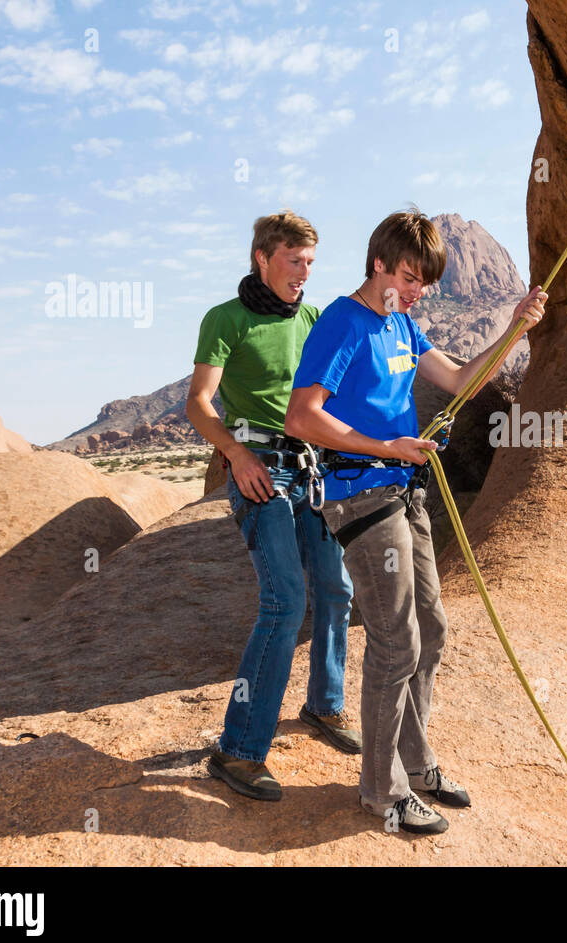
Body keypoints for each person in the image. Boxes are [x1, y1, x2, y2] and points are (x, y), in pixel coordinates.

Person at [284, 207, 546, 834]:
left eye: (424, 281)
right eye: (408, 276)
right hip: (360, 495)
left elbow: (458, 380)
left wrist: (513, 330)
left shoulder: (401, 323)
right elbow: (302, 416)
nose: (417, 290)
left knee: (431, 628)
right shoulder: (344, 325)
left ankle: (416, 762)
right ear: (379, 263)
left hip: (404, 493)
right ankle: (381, 791)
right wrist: (389, 448)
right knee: (396, 639)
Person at [186, 209, 359, 803]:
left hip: (313, 469)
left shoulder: (313, 318)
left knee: (337, 590)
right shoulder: (226, 319)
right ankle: (238, 751)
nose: (304, 274)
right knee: (285, 600)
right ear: (263, 258)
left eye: (311, 263)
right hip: (260, 469)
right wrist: (236, 456)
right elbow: (198, 402)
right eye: (294, 261)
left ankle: (324, 707)